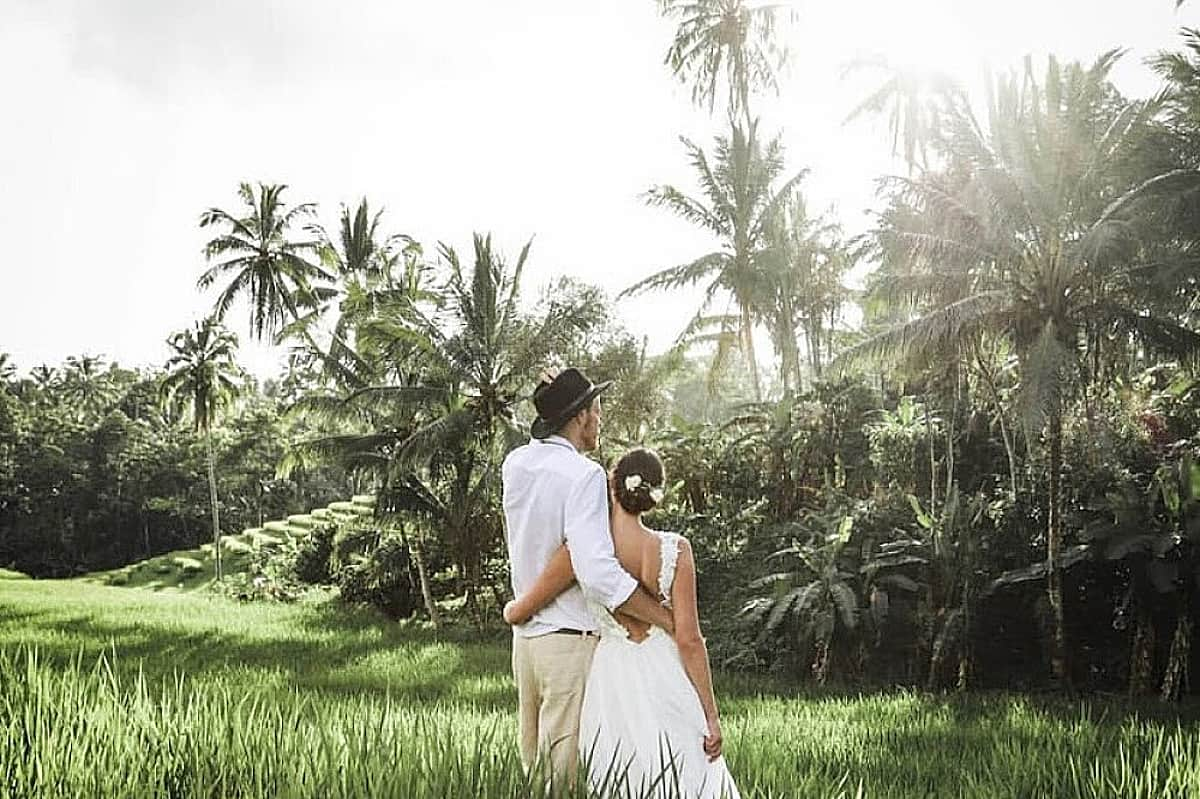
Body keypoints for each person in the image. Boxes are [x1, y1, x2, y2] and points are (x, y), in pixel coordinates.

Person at [505, 447, 739, 799]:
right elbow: (689, 639)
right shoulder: (675, 550)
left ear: (611, 487)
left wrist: (512, 611)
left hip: (611, 675)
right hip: (666, 669)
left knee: (620, 776)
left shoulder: (584, 550)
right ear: (654, 497)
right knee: (684, 769)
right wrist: (711, 715)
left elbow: (528, 604)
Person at [501, 367, 676, 786]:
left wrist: (550, 393)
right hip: (567, 643)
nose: (600, 419)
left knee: (534, 772)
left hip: (525, 644)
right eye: (596, 410)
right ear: (580, 416)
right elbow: (595, 572)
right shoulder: (585, 474)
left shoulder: (516, 464)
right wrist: (661, 616)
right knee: (563, 778)